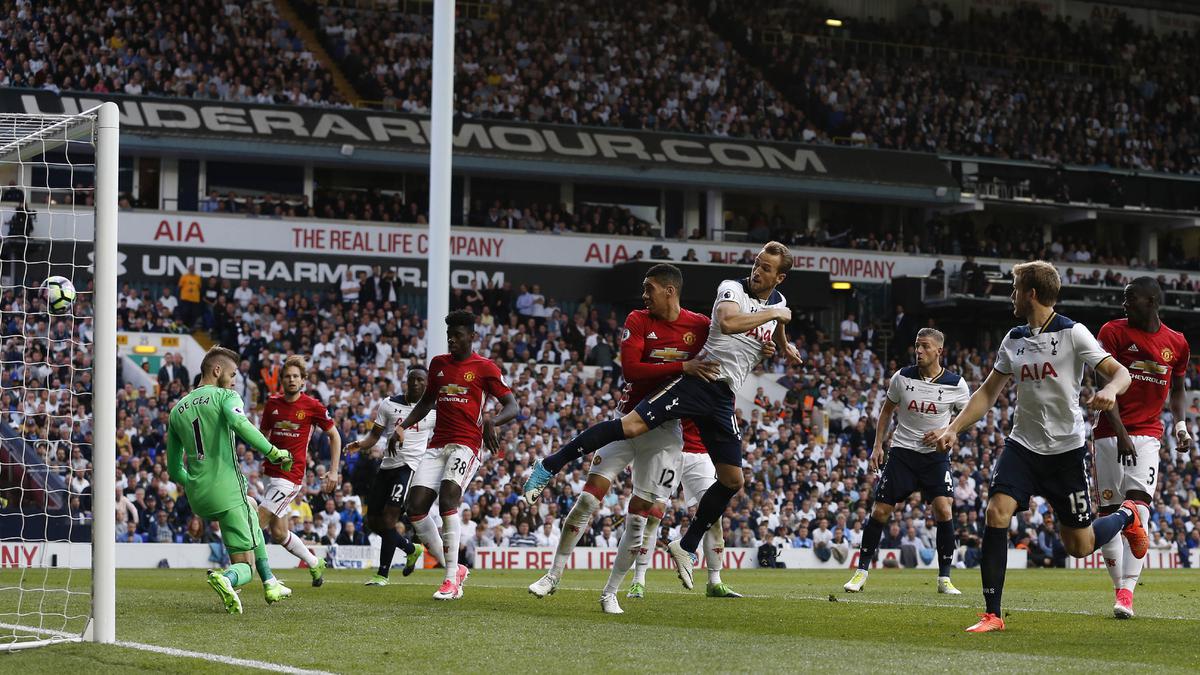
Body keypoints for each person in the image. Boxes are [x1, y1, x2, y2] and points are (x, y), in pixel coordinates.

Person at [523, 242, 802, 590]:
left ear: (780, 277)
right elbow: (728, 322)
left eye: (765, 268)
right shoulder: (732, 289)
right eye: (757, 264)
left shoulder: (776, 305)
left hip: (723, 397)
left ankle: (684, 547)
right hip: (701, 381)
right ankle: (550, 465)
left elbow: (775, 316)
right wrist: (776, 318)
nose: (757, 271)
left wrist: (783, 342)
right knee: (627, 431)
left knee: (733, 481)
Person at [925, 261, 1144, 633]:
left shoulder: (1074, 333)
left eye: (1014, 289)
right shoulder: (1013, 339)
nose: (1010, 296)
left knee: (1079, 545)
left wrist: (1108, 389)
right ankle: (993, 614)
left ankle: (1127, 515)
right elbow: (988, 393)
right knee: (996, 513)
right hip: (1022, 446)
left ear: (1030, 293)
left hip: (1066, 453)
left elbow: (1120, 372)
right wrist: (954, 427)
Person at [526, 264, 734, 613]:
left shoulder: (698, 326)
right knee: (589, 499)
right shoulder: (638, 320)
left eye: (649, 288)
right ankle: (553, 575)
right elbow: (631, 369)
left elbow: (727, 343)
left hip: (666, 434)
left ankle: (610, 592)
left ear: (669, 290)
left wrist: (765, 346)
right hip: (629, 420)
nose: (644, 295)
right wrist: (682, 367)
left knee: (639, 518)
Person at [395, 310, 519, 600]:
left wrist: (492, 421)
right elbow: (427, 402)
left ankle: (450, 580)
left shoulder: (485, 368)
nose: (452, 339)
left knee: (448, 498)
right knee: (415, 508)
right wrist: (404, 426)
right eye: (449, 334)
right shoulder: (438, 365)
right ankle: (457, 568)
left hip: (466, 444)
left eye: (458, 335)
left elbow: (513, 406)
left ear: (473, 337)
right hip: (438, 445)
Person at [166, 346, 295, 614]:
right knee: (244, 566)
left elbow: (173, 468)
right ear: (217, 370)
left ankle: (270, 582)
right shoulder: (226, 395)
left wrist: (191, 482)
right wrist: (274, 451)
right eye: (233, 373)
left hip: (198, 496)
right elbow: (241, 424)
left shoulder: (177, 410)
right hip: (227, 490)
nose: (235, 380)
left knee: (250, 504)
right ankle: (228, 578)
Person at [844, 328, 970, 595]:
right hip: (902, 453)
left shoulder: (956, 384)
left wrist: (949, 432)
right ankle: (861, 572)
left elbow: (967, 417)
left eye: (924, 346)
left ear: (939, 350)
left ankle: (944, 578)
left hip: (935, 457)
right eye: (916, 346)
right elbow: (887, 409)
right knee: (879, 512)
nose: (919, 351)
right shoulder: (902, 378)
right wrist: (878, 445)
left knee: (944, 510)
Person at [1094, 277, 1191, 619]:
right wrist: (1120, 432)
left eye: (1129, 298)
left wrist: (1180, 426)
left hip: (1148, 434)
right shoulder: (1112, 332)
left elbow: (1178, 389)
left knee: (1140, 509)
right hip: (1108, 433)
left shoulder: (1176, 343)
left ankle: (1127, 594)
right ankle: (1118, 589)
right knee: (1108, 516)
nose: (1124, 304)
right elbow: (1104, 386)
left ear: (1151, 302)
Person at [344, 365, 436, 586]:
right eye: (411, 379)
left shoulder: (433, 411)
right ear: (406, 381)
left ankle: (382, 574)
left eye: (420, 380)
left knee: (389, 519)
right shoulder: (389, 404)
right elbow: (374, 436)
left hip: (409, 468)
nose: (415, 383)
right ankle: (410, 548)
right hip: (386, 467)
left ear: (427, 384)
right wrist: (360, 444)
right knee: (372, 521)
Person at [256, 355, 341, 587]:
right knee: (279, 533)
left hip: (290, 477)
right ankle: (314, 563)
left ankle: (235, 575)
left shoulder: (312, 406)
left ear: (303, 381)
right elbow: (262, 436)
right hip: (268, 473)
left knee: (255, 522)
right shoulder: (272, 404)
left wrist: (334, 471)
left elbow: (334, 435)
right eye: (287, 376)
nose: (292, 380)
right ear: (281, 380)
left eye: (296, 376)